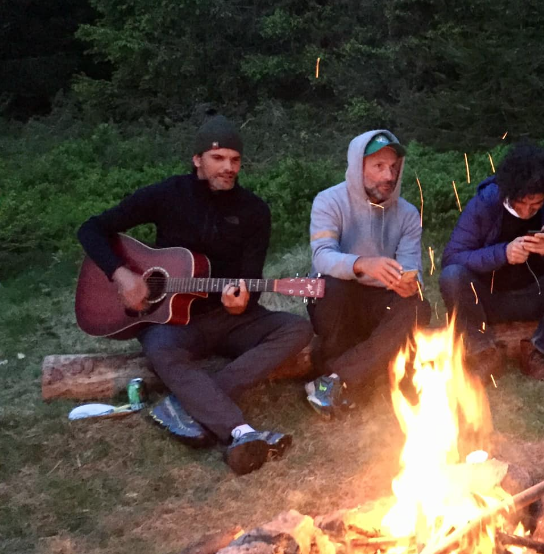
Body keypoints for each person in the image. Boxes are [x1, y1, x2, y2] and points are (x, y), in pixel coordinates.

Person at [77, 114, 313, 475]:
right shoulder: (166, 195)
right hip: (173, 321)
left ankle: (186, 403)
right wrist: (121, 274)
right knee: (160, 350)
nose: (228, 167)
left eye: (235, 160)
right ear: (197, 159)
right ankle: (239, 432)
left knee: (297, 329)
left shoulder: (254, 211)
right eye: (218, 158)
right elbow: (91, 229)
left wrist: (242, 303)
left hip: (229, 319)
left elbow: (249, 279)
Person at [440, 142, 544, 383]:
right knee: (452, 276)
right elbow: (452, 257)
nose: (526, 212)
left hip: (538, 296)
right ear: (509, 193)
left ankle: (538, 351)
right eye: (521, 203)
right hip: (491, 298)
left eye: (536, 205)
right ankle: (484, 353)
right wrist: (503, 253)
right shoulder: (486, 202)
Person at [304, 130, 429, 415]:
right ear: (357, 166)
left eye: (393, 167)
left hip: (379, 300)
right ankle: (351, 369)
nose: (388, 176)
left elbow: (412, 268)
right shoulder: (329, 201)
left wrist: (410, 284)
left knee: (418, 307)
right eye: (378, 166)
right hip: (336, 297)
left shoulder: (408, 214)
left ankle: (334, 379)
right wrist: (362, 263)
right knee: (332, 286)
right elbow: (322, 257)